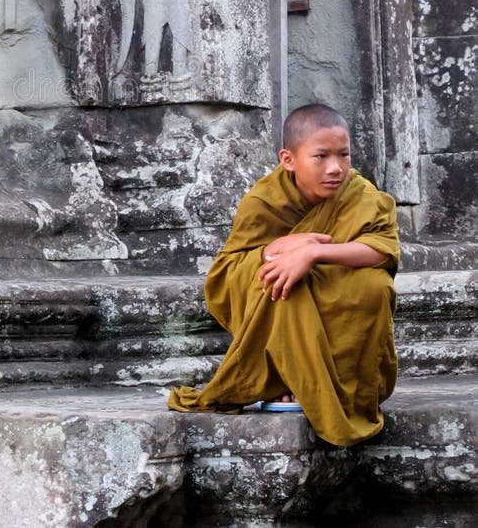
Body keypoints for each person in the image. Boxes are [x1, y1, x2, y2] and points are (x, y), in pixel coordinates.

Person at [168, 103, 399, 447]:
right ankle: (286, 381)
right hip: (287, 290)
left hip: (334, 282)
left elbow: (382, 247)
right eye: (321, 157)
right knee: (282, 281)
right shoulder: (264, 200)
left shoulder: (359, 193)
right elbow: (226, 272)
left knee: (374, 284)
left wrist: (313, 252)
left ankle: (346, 390)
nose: (335, 168)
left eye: (344, 155)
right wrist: (275, 250)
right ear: (288, 159)